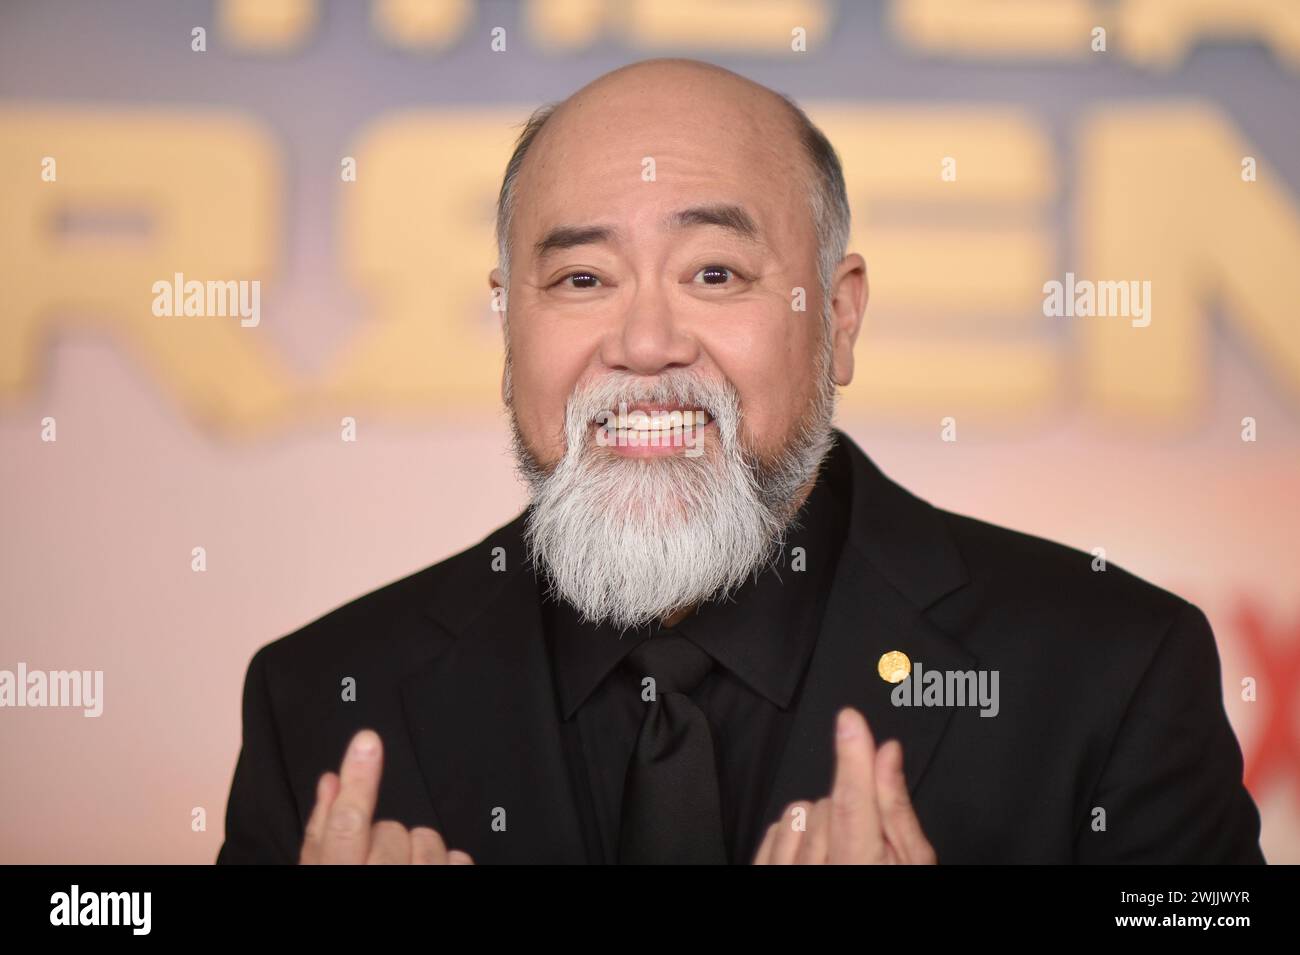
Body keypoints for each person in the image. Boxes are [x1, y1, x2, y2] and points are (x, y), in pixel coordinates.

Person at [217, 58, 1265, 865]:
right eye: (580, 279)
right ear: (507, 327)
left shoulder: (1113, 672)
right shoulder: (319, 701)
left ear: (838, 318)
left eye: (713, 271)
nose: (641, 343)